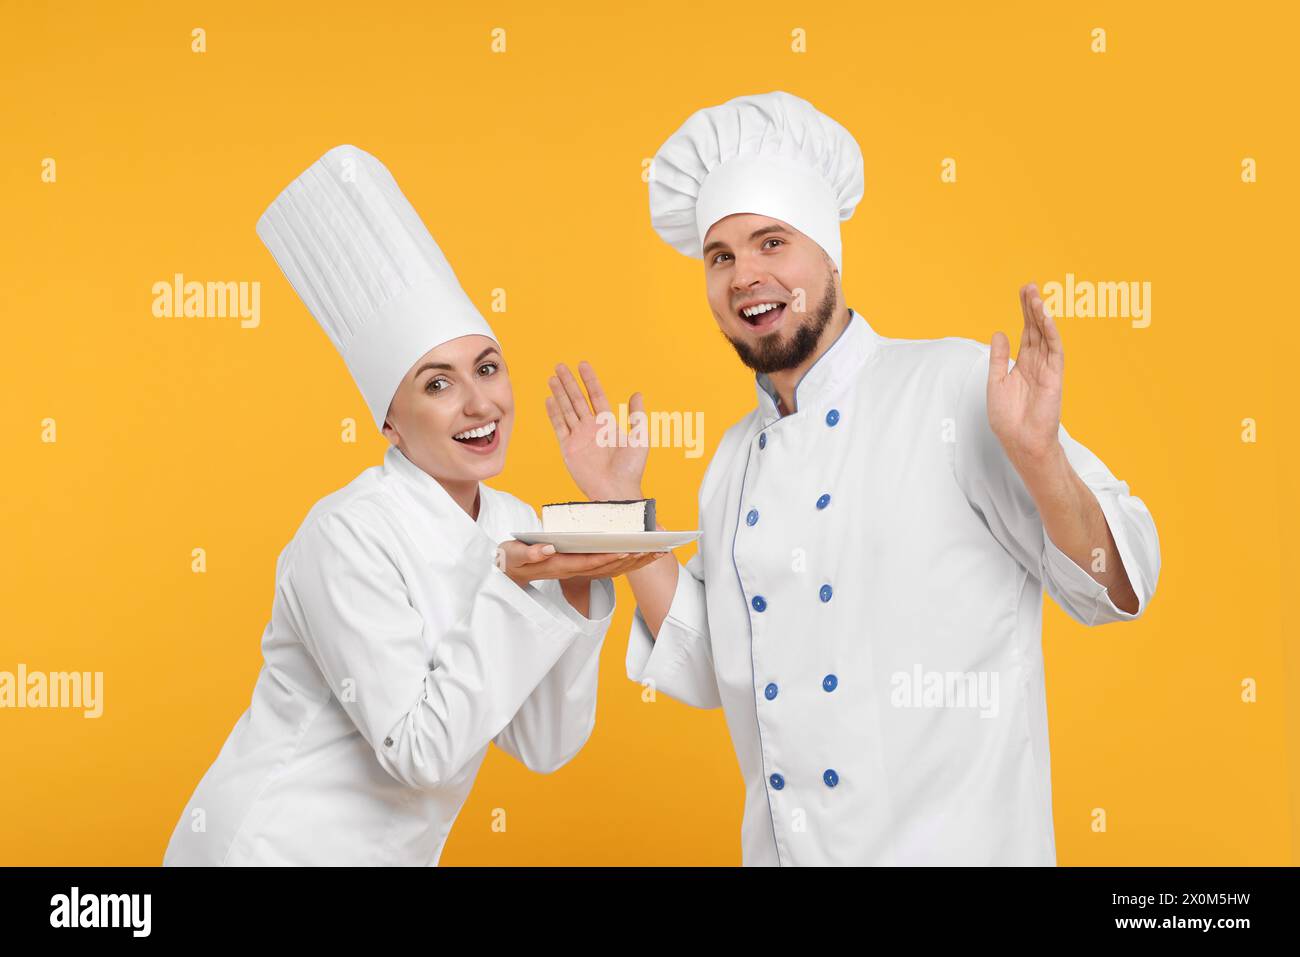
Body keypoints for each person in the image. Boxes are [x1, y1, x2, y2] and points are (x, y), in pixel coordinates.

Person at [546, 92, 1162, 866]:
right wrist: (617, 508)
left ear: (829, 253)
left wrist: (1040, 458)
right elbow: (712, 666)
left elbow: (1120, 583)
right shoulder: (733, 460)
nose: (746, 276)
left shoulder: (953, 387)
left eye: (772, 242)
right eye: (722, 256)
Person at [164, 144, 658, 866]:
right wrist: (519, 587)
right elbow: (420, 751)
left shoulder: (512, 518)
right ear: (388, 424)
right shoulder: (346, 535)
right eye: (437, 384)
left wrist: (578, 576)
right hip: (269, 846)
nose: (479, 401)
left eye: (487, 368)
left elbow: (544, 745)